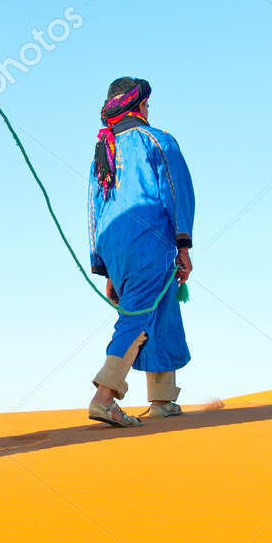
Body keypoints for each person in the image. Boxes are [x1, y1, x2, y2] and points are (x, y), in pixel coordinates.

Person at [85, 76, 195, 425]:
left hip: (114, 245)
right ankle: (104, 397)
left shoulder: (104, 150)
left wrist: (104, 265)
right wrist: (183, 243)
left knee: (160, 309)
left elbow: (94, 208)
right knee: (136, 315)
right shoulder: (157, 140)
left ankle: (163, 400)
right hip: (151, 240)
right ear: (140, 105)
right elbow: (177, 191)